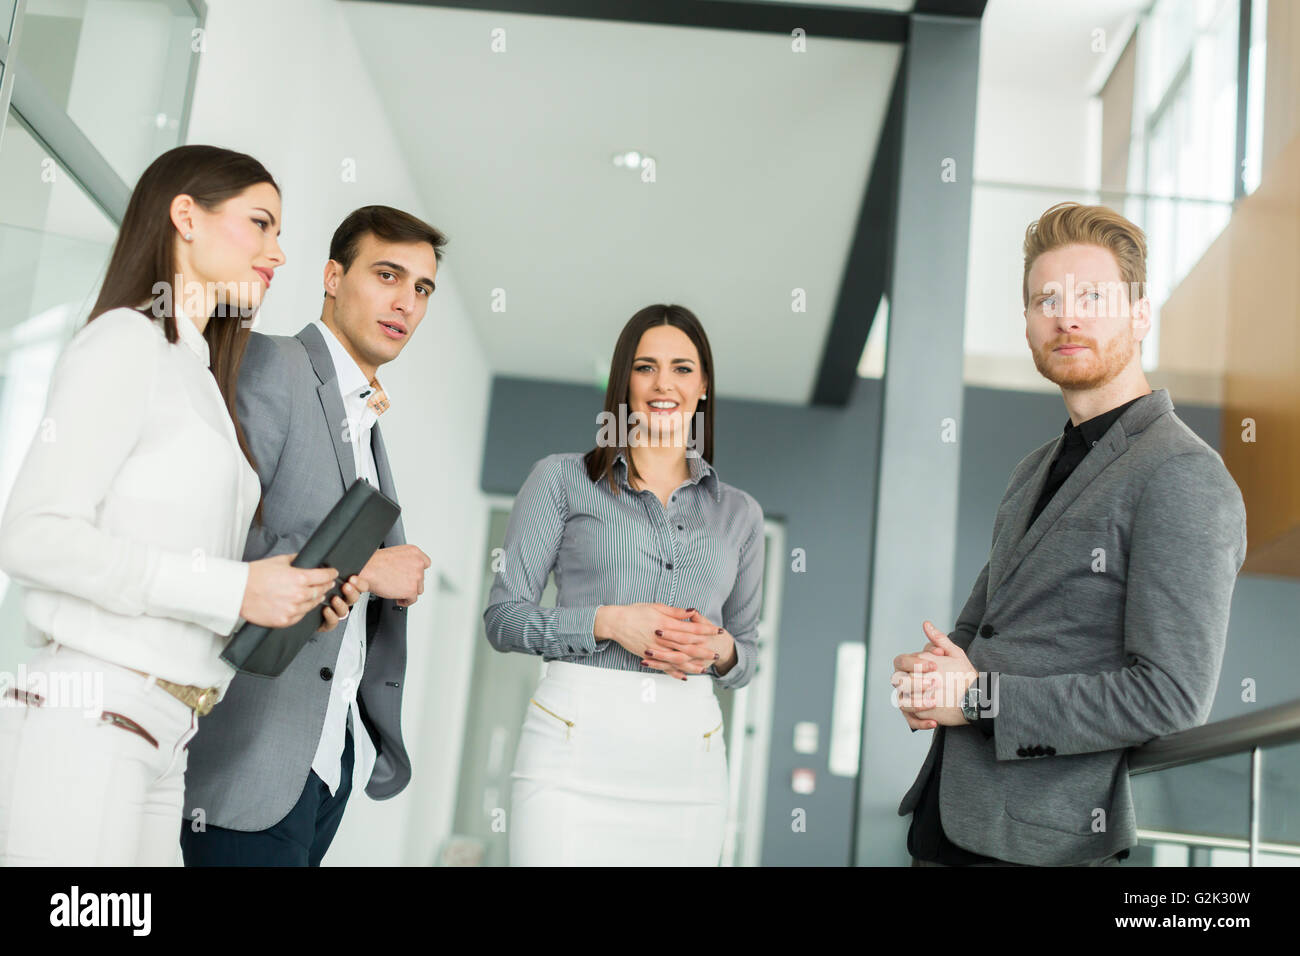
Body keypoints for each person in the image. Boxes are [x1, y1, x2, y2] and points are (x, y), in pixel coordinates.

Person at [0, 144, 358, 866]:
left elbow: (182, 566)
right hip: (94, 715)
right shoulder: (124, 343)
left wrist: (279, 597)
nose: (278, 253)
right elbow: (31, 537)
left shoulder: (199, 375)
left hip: (168, 731)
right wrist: (236, 587)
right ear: (185, 216)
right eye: (260, 225)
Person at [893, 201, 1247, 866]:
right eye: (1044, 299)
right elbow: (980, 633)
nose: (1067, 314)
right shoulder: (1033, 471)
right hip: (948, 824)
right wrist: (931, 675)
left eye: (1091, 295)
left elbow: (1169, 699)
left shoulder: (1183, 476)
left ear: (1141, 314)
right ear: (1028, 325)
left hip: (1041, 847)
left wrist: (973, 696)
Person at [180, 205, 439, 866]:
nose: (405, 302)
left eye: (422, 289)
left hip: (322, 766)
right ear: (332, 276)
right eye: (387, 274)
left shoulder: (367, 422)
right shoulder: (275, 367)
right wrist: (367, 569)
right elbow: (219, 555)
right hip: (247, 760)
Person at [484, 304, 766, 866]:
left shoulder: (740, 513)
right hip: (570, 747)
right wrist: (607, 622)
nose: (665, 383)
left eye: (683, 368)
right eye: (646, 367)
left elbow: (747, 652)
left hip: (689, 759)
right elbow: (503, 618)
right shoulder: (562, 479)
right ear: (624, 381)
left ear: (703, 385)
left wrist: (718, 648)